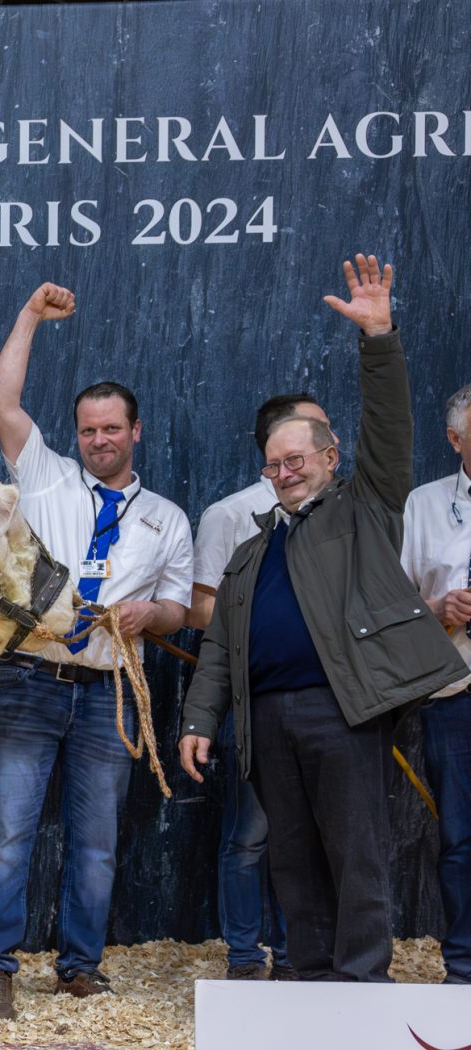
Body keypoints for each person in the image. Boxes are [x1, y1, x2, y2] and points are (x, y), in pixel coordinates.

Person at [181, 255, 467, 983]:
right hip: (267, 721)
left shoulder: (364, 508)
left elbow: (391, 427)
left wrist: (379, 338)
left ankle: (363, 983)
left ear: (331, 457)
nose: (285, 472)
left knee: (356, 853)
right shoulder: (249, 551)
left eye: (297, 459)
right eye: (273, 464)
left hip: (345, 711)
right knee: (293, 859)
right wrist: (198, 722)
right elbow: (219, 648)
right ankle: (307, 981)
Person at [0, 282, 194, 1024]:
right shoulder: (45, 476)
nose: (99, 440)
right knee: (8, 831)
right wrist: (29, 314)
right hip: (30, 678)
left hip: (111, 691)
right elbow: (3, 404)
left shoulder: (166, 518)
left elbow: (183, 608)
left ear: (135, 431)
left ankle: (78, 968)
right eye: (88, 430)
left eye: (111, 429)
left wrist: (149, 613)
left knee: (95, 843)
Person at [187, 397, 327, 981]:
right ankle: (246, 957)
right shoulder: (231, 515)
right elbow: (201, 611)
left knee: (320, 841)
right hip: (260, 702)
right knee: (251, 838)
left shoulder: (345, 515)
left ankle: (306, 958)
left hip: (333, 705)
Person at [399, 381, 471, 984]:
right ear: (455, 440)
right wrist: (438, 609)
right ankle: (465, 967)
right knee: (461, 837)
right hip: (456, 691)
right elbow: (392, 603)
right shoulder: (422, 504)